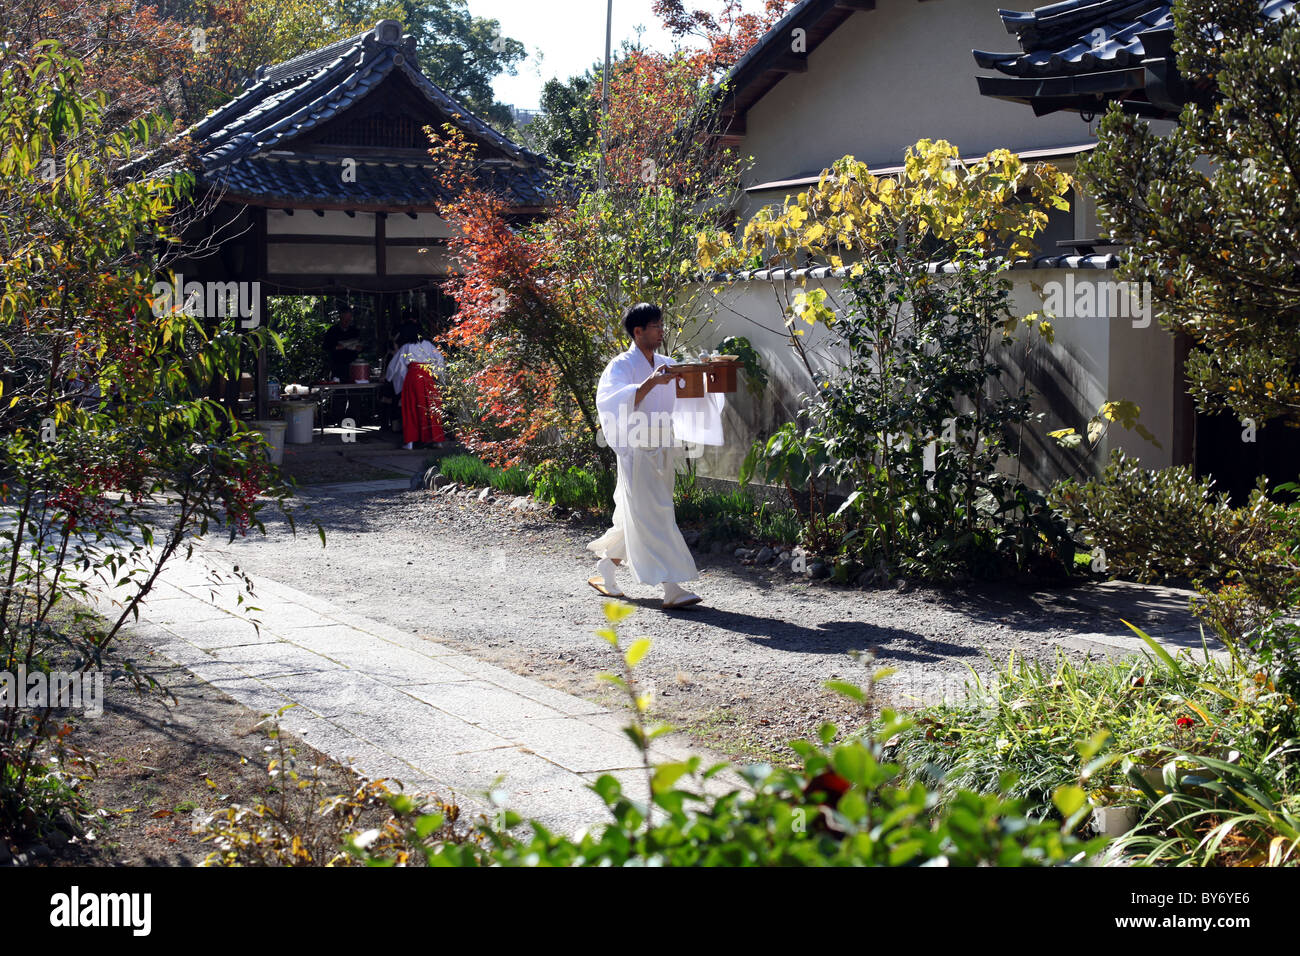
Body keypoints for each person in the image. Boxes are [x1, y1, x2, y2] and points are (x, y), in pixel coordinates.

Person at [587, 303, 726, 610]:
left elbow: (690, 393)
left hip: (663, 446)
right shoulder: (621, 365)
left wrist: (709, 374)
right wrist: (651, 382)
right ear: (638, 332)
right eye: (656, 327)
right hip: (637, 450)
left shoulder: (665, 362)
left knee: (639, 514)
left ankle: (607, 569)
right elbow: (610, 403)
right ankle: (671, 586)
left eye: (662, 326)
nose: (662, 331)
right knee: (656, 515)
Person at [385, 320, 447, 450]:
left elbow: (397, 367)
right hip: (427, 378)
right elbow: (440, 361)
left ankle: (410, 442)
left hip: (413, 378)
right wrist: (438, 377)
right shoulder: (429, 345)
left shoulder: (406, 347)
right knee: (431, 408)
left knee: (411, 409)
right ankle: (437, 441)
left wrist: (390, 378)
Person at [321, 305, 361, 381]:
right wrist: (336, 347)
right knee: (338, 390)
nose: (347, 321)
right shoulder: (332, 331)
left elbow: (363, 345)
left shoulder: (354, 331)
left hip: (353, 367)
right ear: (340, 317)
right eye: (345, 319)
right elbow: (325, 347)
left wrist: (360, 348)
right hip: (337, 367)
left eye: (349, 319)